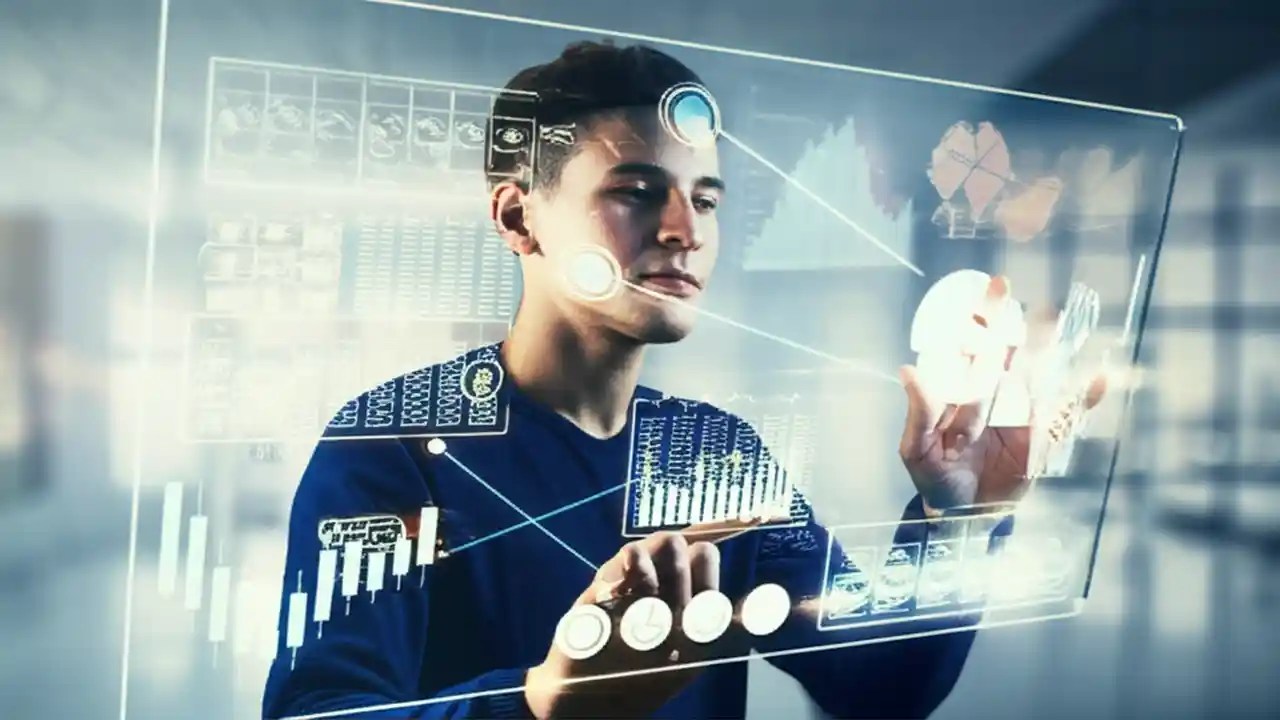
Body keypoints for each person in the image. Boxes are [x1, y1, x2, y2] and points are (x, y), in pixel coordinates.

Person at [262, 41, 1066, 719]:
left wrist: (953, 519)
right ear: (516, 217)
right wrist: (541, 703)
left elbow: (876, 688)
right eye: (637, 193)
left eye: (706, 199)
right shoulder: (393, 444)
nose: (685, 232)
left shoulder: (718, 454)